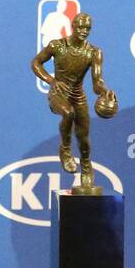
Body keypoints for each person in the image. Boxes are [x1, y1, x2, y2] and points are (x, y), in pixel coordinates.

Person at [31, 11, 116, 189]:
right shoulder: (57, 46)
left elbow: (97, 82)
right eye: (81, 27)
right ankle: (65, 150)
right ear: (73, 27)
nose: (84, 31)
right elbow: (36, 63)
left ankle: (86, 167)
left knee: (84, 136)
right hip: (58, 93)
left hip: (78, 95)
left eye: (88, 28)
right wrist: (51, 81)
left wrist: (104, 91)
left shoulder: (94, 52)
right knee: (68, 113)